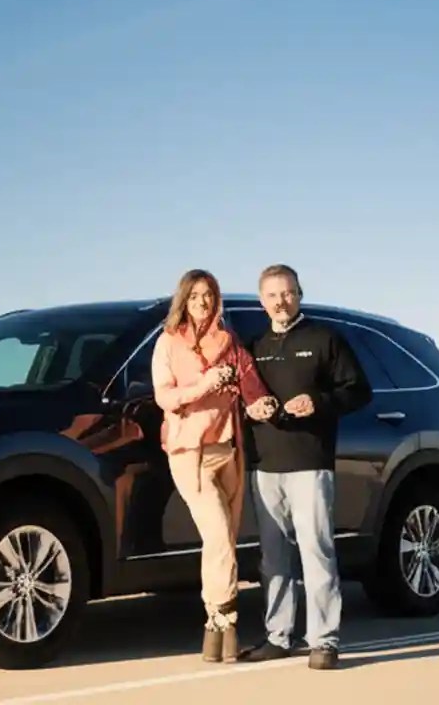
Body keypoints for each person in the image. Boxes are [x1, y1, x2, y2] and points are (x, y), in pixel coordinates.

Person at [238, 264, 372, 670]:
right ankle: (279, 636)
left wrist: (319, 402)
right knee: (273, 558)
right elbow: (240, 398)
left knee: (316, 551)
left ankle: (324, 641)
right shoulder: (253, 345)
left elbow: (358, 391)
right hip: (265, 466)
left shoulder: (324, 339)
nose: (281, 301)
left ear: (299, 294)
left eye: (289, 292)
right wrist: (250, 409)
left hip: (310, 463)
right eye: (273, 295)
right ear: (262, 301)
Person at [151, 268, 279, 664]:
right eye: (194, 296)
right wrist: (207, 383)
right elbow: (165, 398)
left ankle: (214, 630)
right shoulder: (168, 343)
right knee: (220, 534)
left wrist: (260, 402)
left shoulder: (228, 341)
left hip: (228, 449)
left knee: (221, 540)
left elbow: (249, 379)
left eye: (208, 295)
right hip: (190, 454)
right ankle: (226, 617)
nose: (203, 302)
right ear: (183, 301)